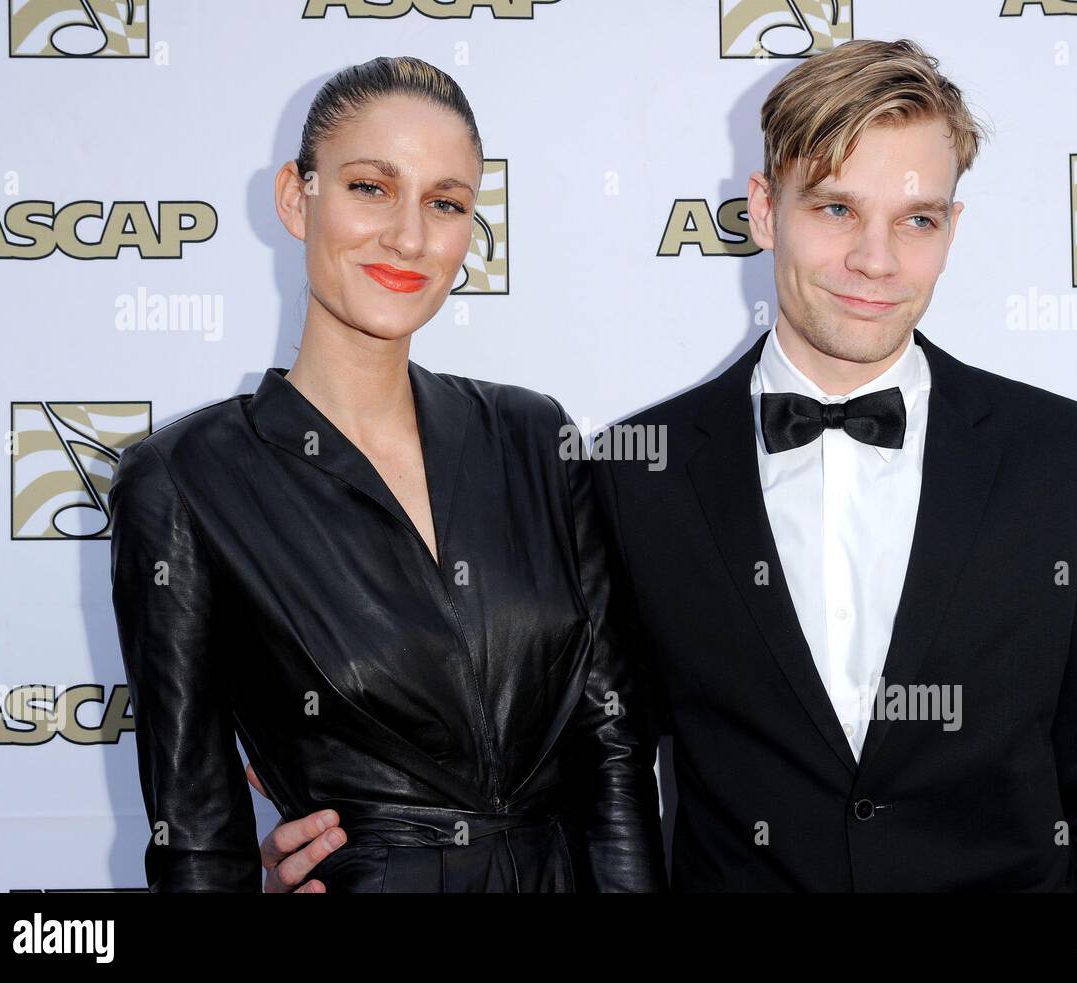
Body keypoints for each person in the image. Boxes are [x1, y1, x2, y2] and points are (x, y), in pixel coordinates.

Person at [259, 39, 1077, 892]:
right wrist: (356, 850)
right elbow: (567, 767)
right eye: (835, 208)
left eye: (918, 219)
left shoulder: (1058, 454)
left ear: (953, 224)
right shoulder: (636, 473)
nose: (875, 259)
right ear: (764, 209)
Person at [108, 55, 666, 893]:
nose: (409, 236)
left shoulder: (533, 435)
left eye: (445, 203)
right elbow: (194, 834)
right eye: (371, 187)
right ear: (298, 199)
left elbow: (614, 748)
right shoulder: (186, 480)